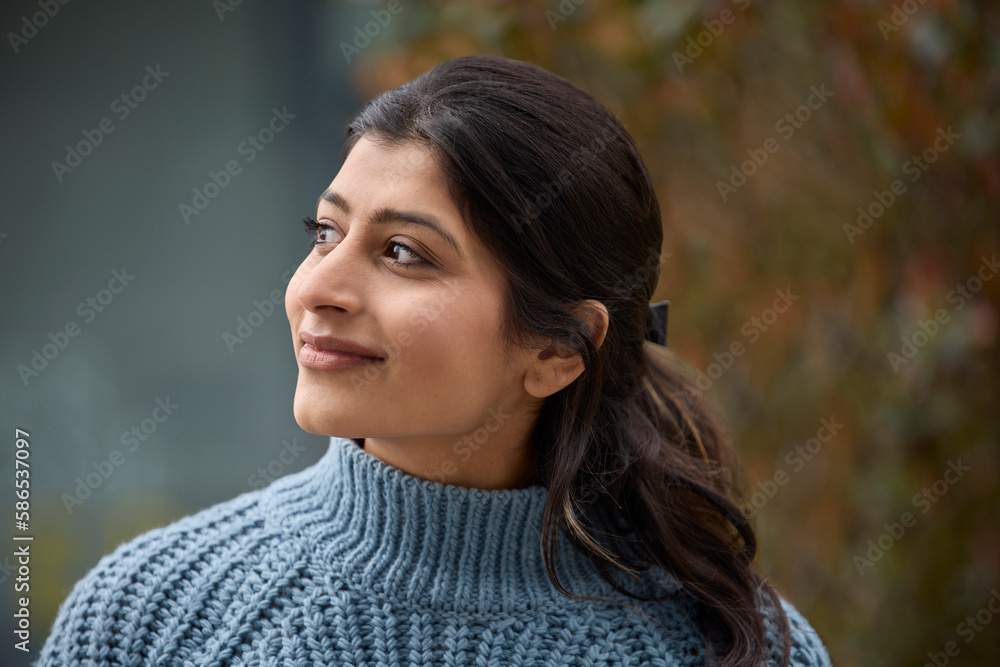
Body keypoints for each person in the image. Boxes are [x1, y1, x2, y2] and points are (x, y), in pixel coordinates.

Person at [36, 53, 832, 666]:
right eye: (325, 233)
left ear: (559, 348)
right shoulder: (147, 614)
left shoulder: (735, 645)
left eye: (405, 253)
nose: (322, 287)